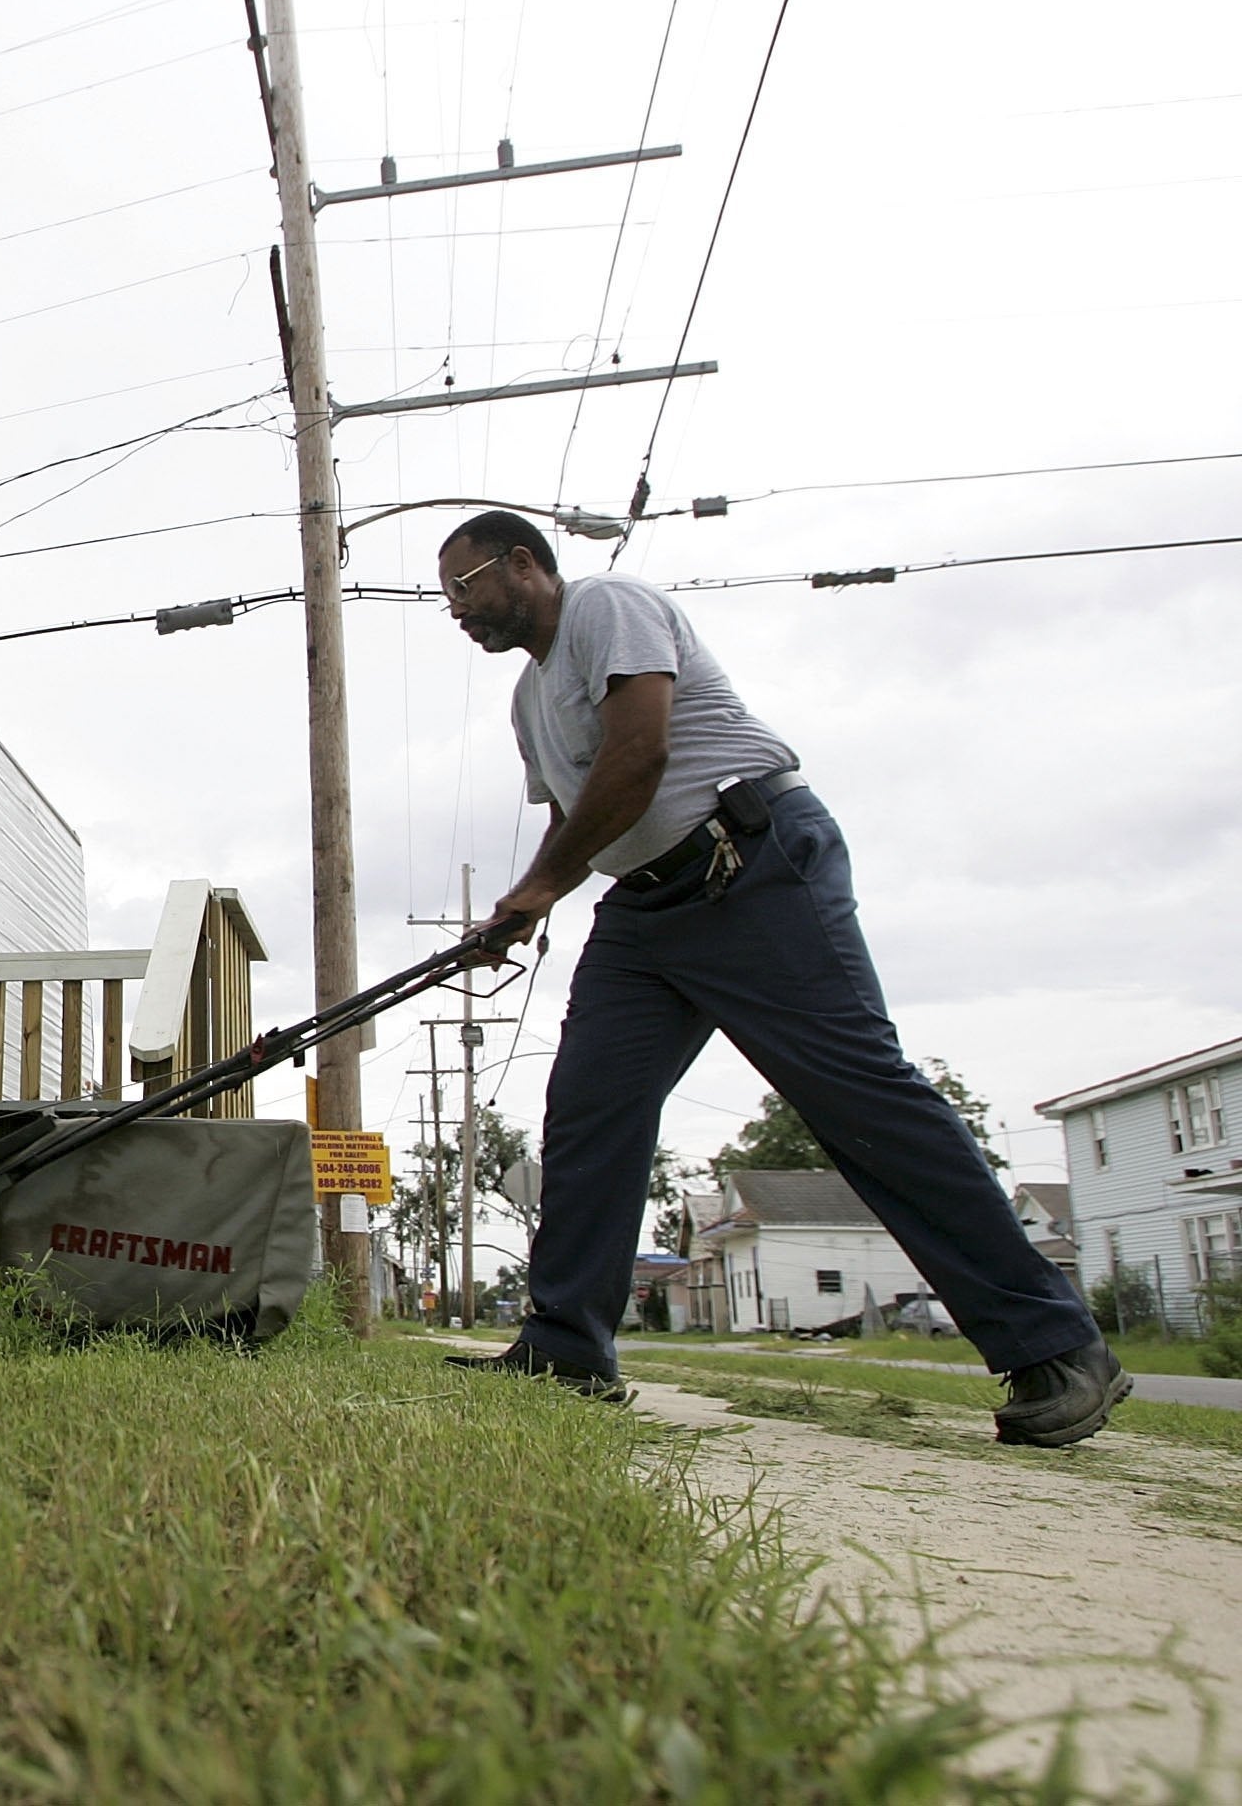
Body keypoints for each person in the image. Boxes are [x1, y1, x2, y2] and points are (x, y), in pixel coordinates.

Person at [432, 510, 1127, 1447]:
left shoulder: (608, 607)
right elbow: (570, 817)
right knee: (590, 1104)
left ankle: (1057, 1346)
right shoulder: (528, 702)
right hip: (644, 912)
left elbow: (641, 755)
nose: (458, 610)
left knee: (861, 1100)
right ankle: (567, 1346)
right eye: (448, 598)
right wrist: (524, 905)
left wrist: (541, 888)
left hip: (752, 867)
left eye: (465, 586)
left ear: (524, 565)